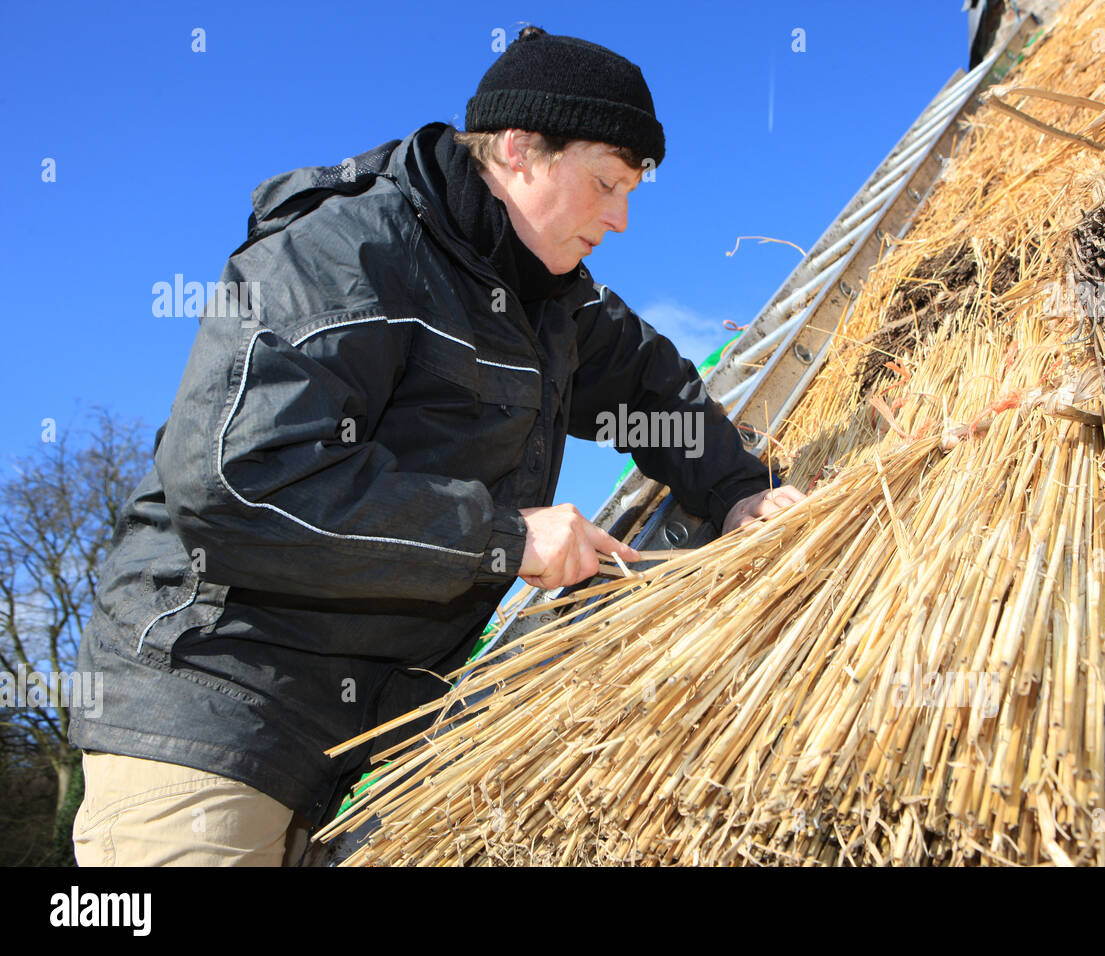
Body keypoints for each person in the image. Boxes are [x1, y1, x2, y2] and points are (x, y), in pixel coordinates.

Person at [69, 25, 804, 866]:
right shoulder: (343, 256)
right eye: (605, 184)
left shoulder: (552, 302)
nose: (621, 220)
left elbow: (651, 390)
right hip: (215, 711)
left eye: (631, 192)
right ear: (521, 150)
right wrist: (506, 539)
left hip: (382, 749)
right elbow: (242, 484)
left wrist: (740, 488)